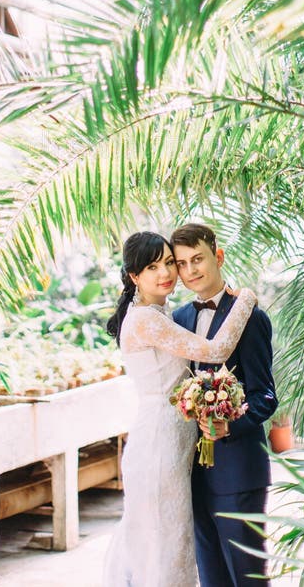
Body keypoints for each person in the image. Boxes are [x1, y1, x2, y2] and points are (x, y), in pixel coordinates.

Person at [103, 231, 257, 587]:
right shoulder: (146, 319)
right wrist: (245, 299)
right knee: (166, 544)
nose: (165, 273)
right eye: (152, 267)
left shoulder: (159, 312)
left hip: (171, 439)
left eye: (169, 262)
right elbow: (216, 351)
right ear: (133, 277)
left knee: (169, 541)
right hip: (159, 444)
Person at [171, 223, 278, 587]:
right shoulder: (179, 320)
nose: (191, 270)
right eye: (182, 263)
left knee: (248, 579)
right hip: (192, 475)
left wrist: (230, 424)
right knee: (211, 578)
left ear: (218, 256)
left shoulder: (250, 317)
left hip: (238, 473)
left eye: (197, 259)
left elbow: (265, 396)